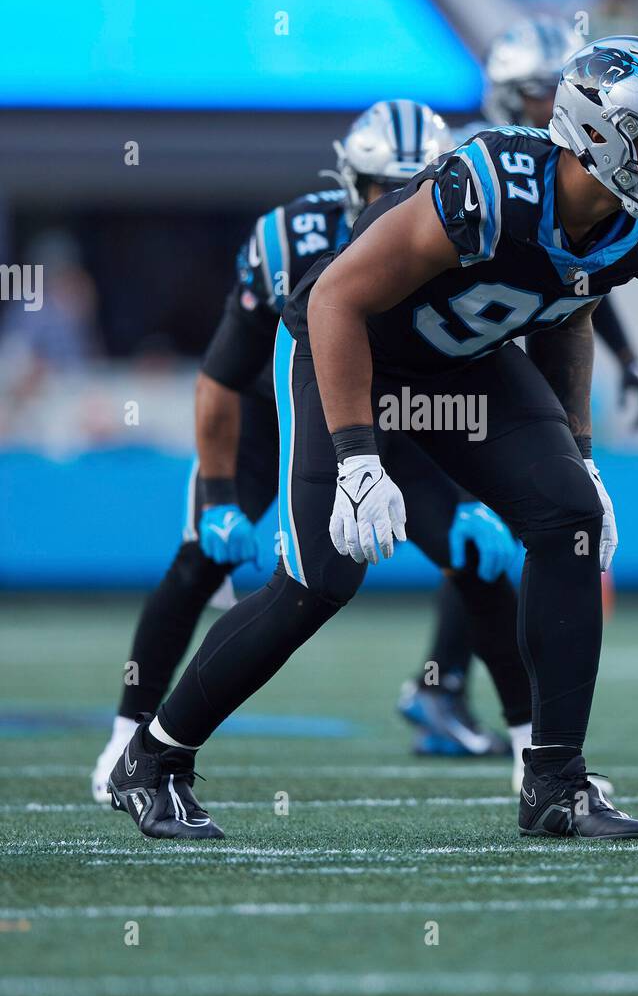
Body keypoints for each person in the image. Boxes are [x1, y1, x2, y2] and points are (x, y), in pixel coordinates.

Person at [108, 35, 638, 842]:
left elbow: (571, 312)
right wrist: (360, 456)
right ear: (599, 134)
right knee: (321, 578)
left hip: (461, 361)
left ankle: (556, 783)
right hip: (345, 345)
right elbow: (335, 300)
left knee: (568, 516)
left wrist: (583, 453)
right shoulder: (494, 185)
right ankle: (152, 761)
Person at [91, 100, 533, 800]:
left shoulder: (464, 237)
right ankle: (128, 734)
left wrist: (471, 495)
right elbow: (220, 376)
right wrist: (217, 495)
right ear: (349, 182)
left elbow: (480, 369)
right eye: (383, 189)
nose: (398, 207)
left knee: (474, 556)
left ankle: (530, 745)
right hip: (274, 417)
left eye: (416, 188)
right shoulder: (288, 240)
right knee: (204, 558)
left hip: (390, 420)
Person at [399, 18, 638, 761]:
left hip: (505, 358)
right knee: (483, 533)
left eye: (556, 92)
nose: (549, 107)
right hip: (441, 364)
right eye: (537, 93)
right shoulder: (482, 165)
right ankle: (442, 688)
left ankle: (447, 690)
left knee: (501, 532)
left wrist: (628, 355)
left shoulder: (582, 179)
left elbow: (578, 278)